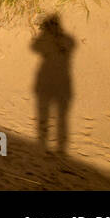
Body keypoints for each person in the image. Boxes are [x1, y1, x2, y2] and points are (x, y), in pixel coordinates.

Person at [31, 14, 75, 153]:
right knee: (60, 116)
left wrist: (47, 34)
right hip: (63, 82)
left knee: (47, 114)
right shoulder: (68, 39)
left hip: (48, 80)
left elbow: (34, 47)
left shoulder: (58, 39)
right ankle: (59, 147)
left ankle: (45, 144)